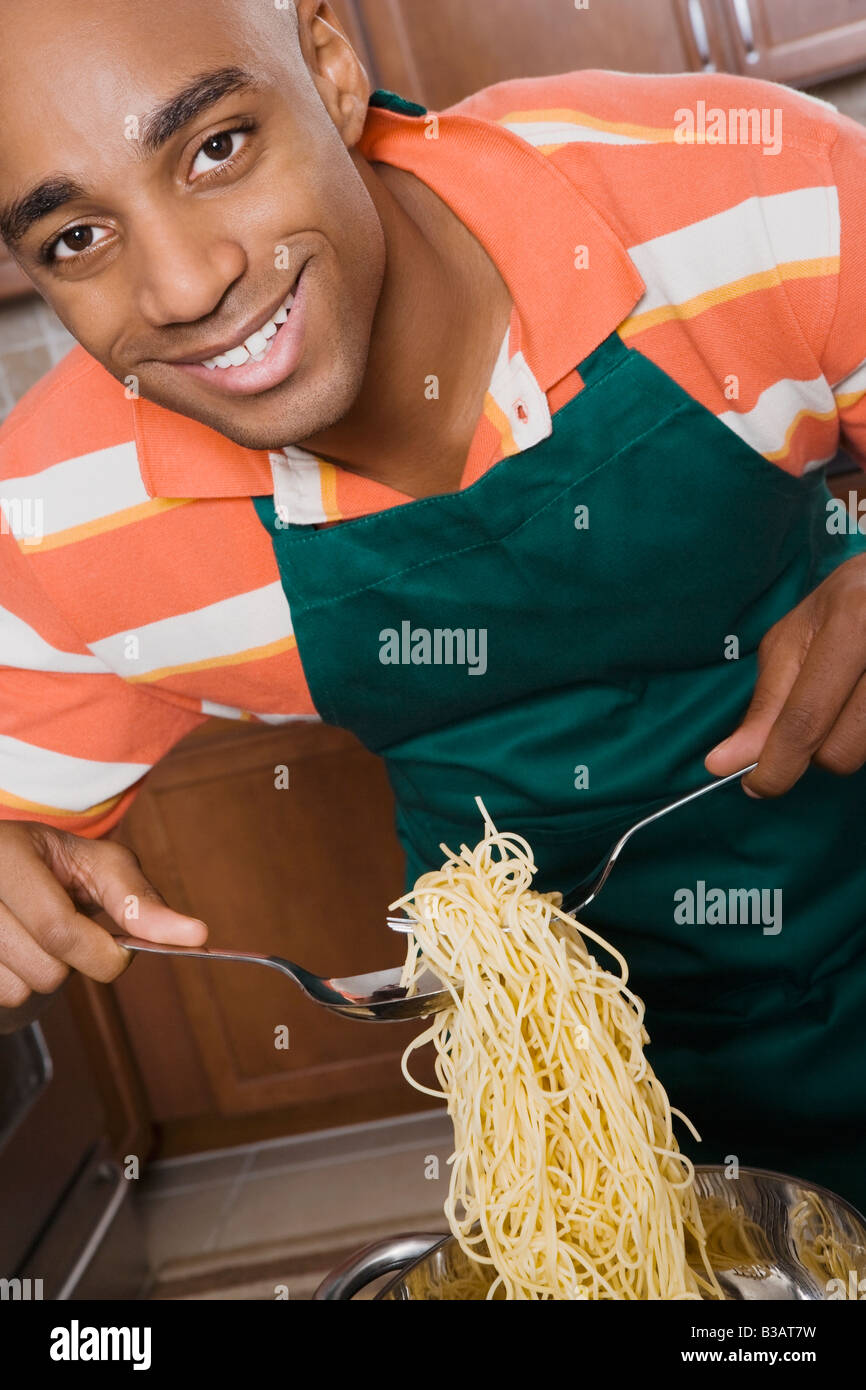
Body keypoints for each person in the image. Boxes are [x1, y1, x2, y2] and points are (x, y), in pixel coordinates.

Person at [2, 0, 866, 1213]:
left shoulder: (743, 188)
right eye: (78, 235)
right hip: (576, 1106)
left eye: (216, 147)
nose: (187, 284)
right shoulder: (68, 517)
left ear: (330, 68)